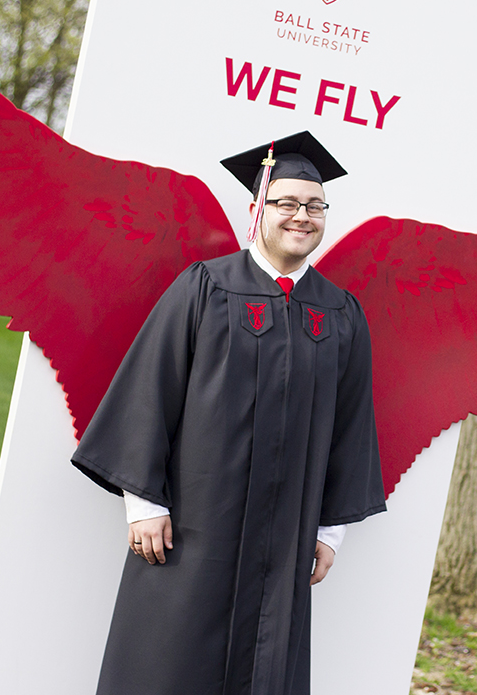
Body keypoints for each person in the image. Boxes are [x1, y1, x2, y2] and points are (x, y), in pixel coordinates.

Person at [71, 131, 386, 695]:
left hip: (286, 535)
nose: (303, 216)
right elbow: (150, 390)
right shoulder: (206, 288)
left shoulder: (339, 314)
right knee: (169, 662)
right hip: (194, 528)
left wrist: (330, 529)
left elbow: (352, 425)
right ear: (257, 208)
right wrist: (143, 504)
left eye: (315, 206)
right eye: (287, 203)